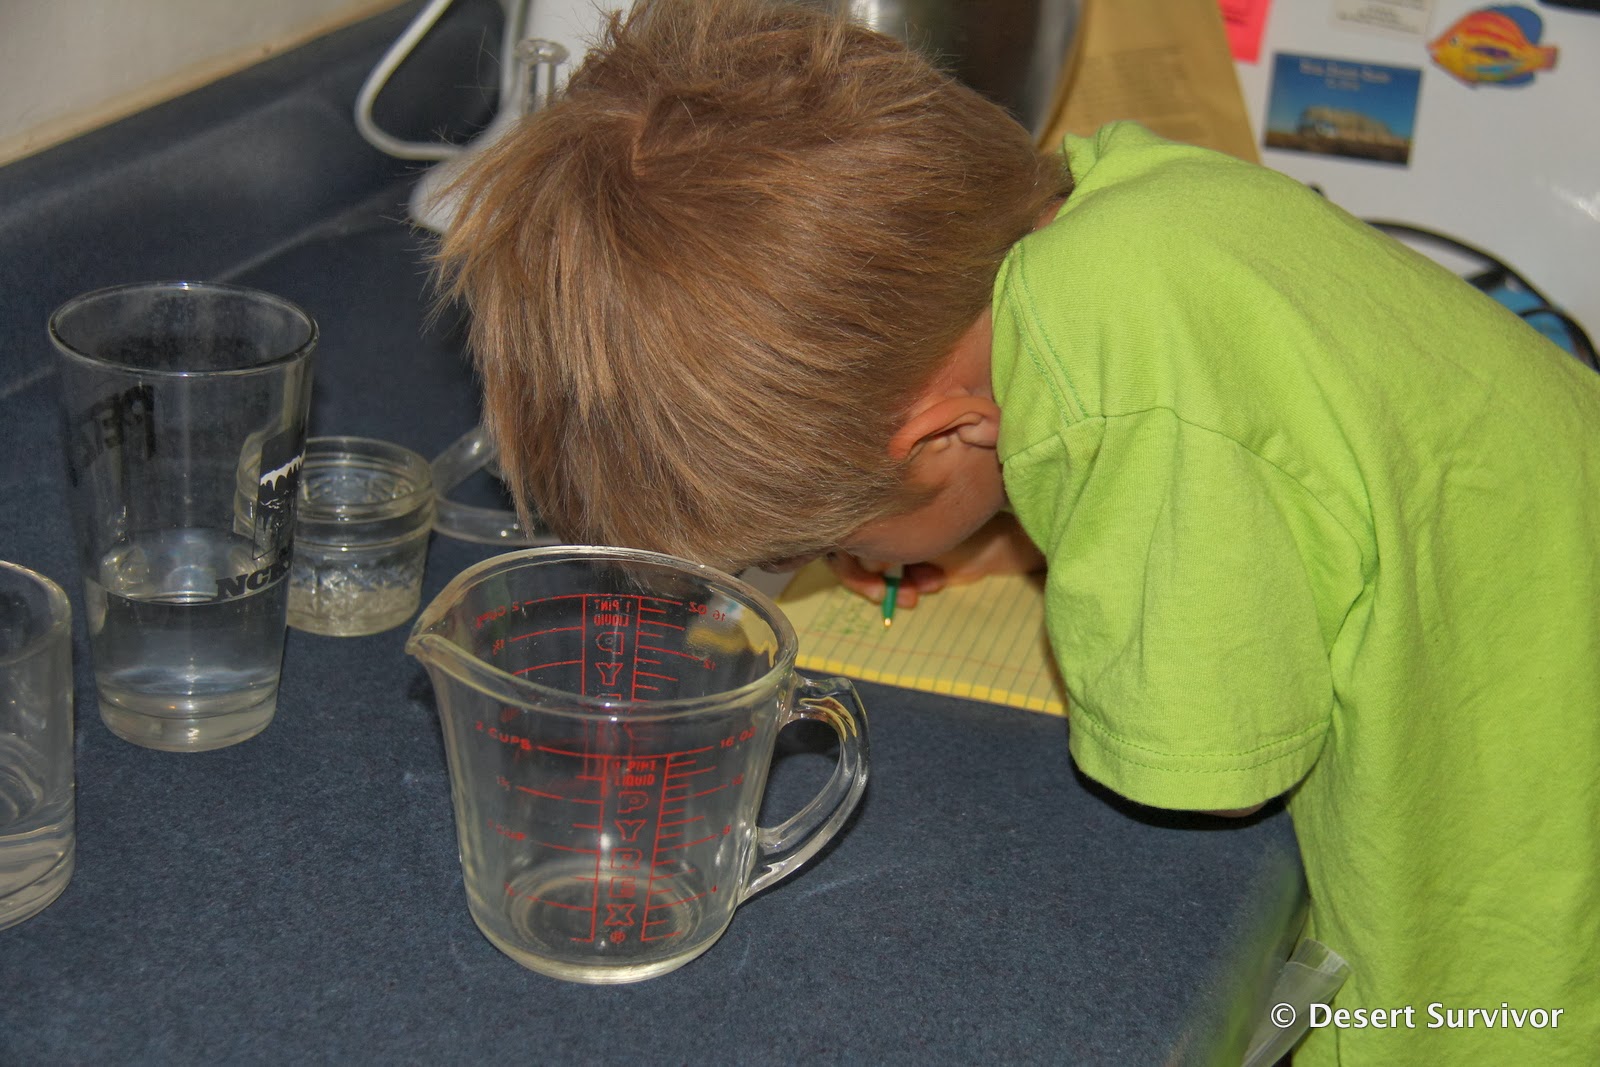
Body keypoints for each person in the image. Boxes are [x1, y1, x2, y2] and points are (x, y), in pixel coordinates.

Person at [435, 1, 1600, 1062]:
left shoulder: (1126, 413)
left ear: (949, 433)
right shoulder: (1128, 204)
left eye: (831, 537)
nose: (842, 566)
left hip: (1524, 902)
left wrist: (1083, 537)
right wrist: (1016, 514)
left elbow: (1208, 771)